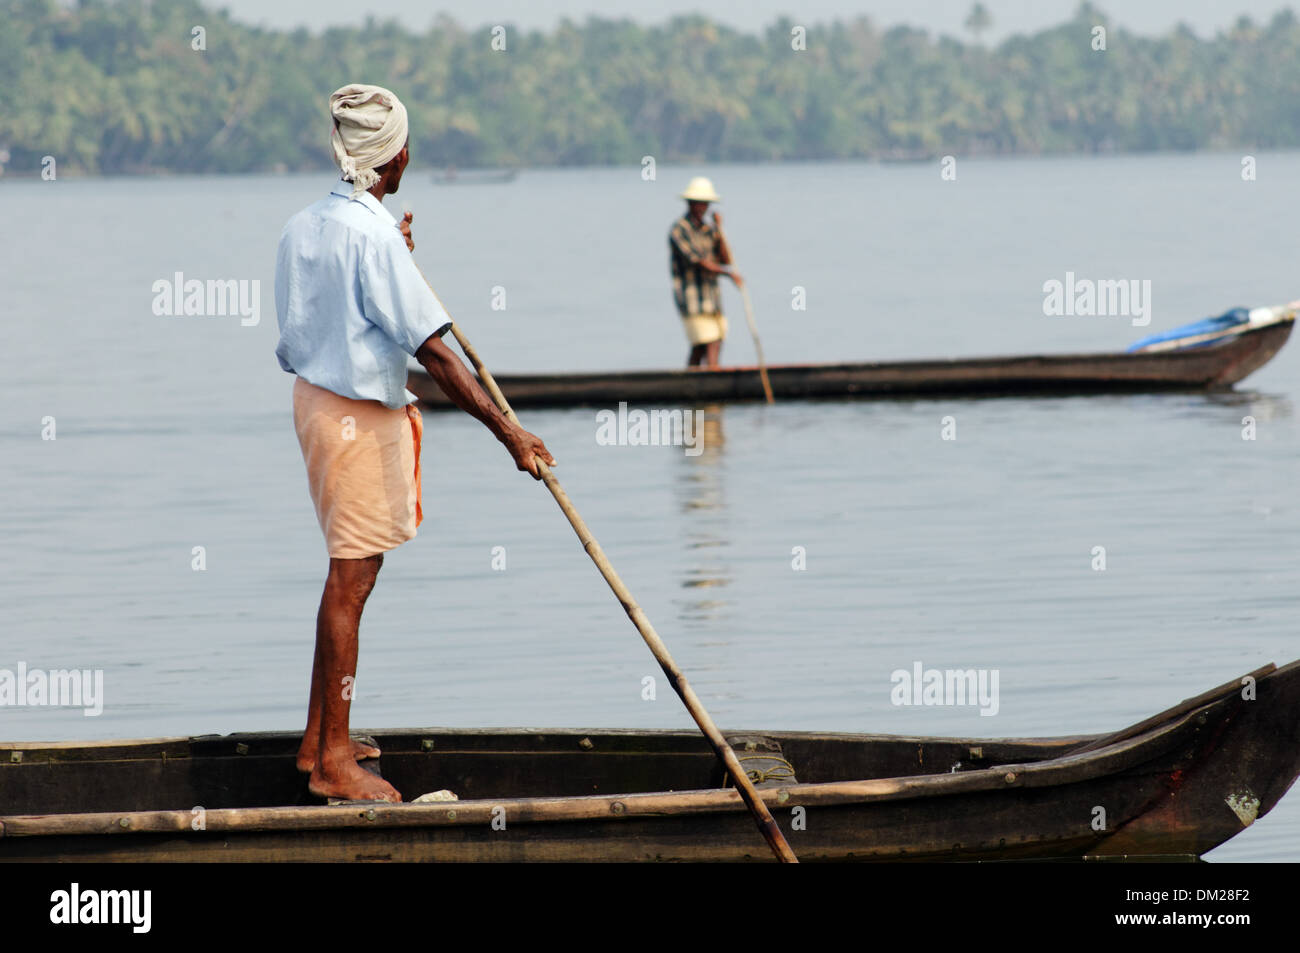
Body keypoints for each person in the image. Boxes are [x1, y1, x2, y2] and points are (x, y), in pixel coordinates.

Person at [274, 84, 554, 803]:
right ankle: (335, 761)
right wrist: (510, 432)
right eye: (406, 145)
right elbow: (436, 354)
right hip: (354, 417)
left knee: (346, 577)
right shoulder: (368, 236)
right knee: (351, 582)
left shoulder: (310, 225)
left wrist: (388, 254)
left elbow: (334, 306)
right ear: (393, 158)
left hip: (314, 402)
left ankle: (317, 738)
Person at [668, 177, 743, 368]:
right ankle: (711, 379)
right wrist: (728, 275)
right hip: (692, 298)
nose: (702, 207)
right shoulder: (679, 230)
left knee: (708, 342)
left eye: (705, 203)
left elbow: (726, 259)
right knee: (707, 341)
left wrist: (720, 229)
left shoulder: (709, 230)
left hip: (712, 297)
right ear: (690, 203)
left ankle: (699, 383)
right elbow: (699, 261)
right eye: (698, 203)